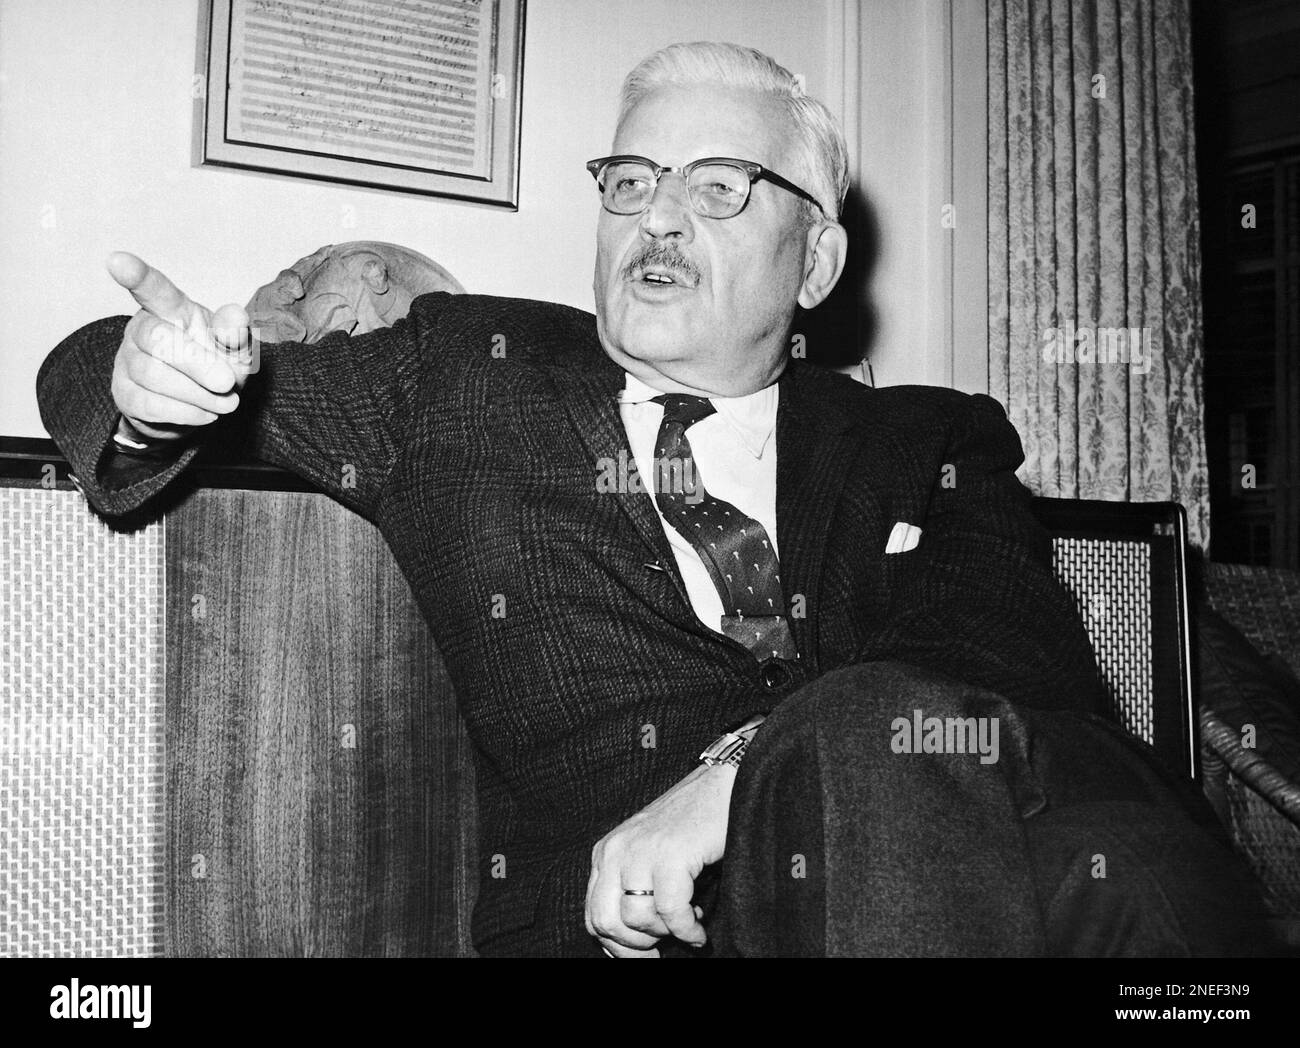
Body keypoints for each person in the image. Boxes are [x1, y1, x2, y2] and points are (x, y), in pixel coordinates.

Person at [36, 42, 1267, 958]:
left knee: (1130, 858)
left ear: (818, 259)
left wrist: (735, 772)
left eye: (720, 186)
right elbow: (96, 360)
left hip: (992, 864)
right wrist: (150, 389)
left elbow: (1003, 659)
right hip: (653, 931)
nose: (658, 215)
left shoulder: (926, 437)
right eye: (630, 180)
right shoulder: (467, 375)